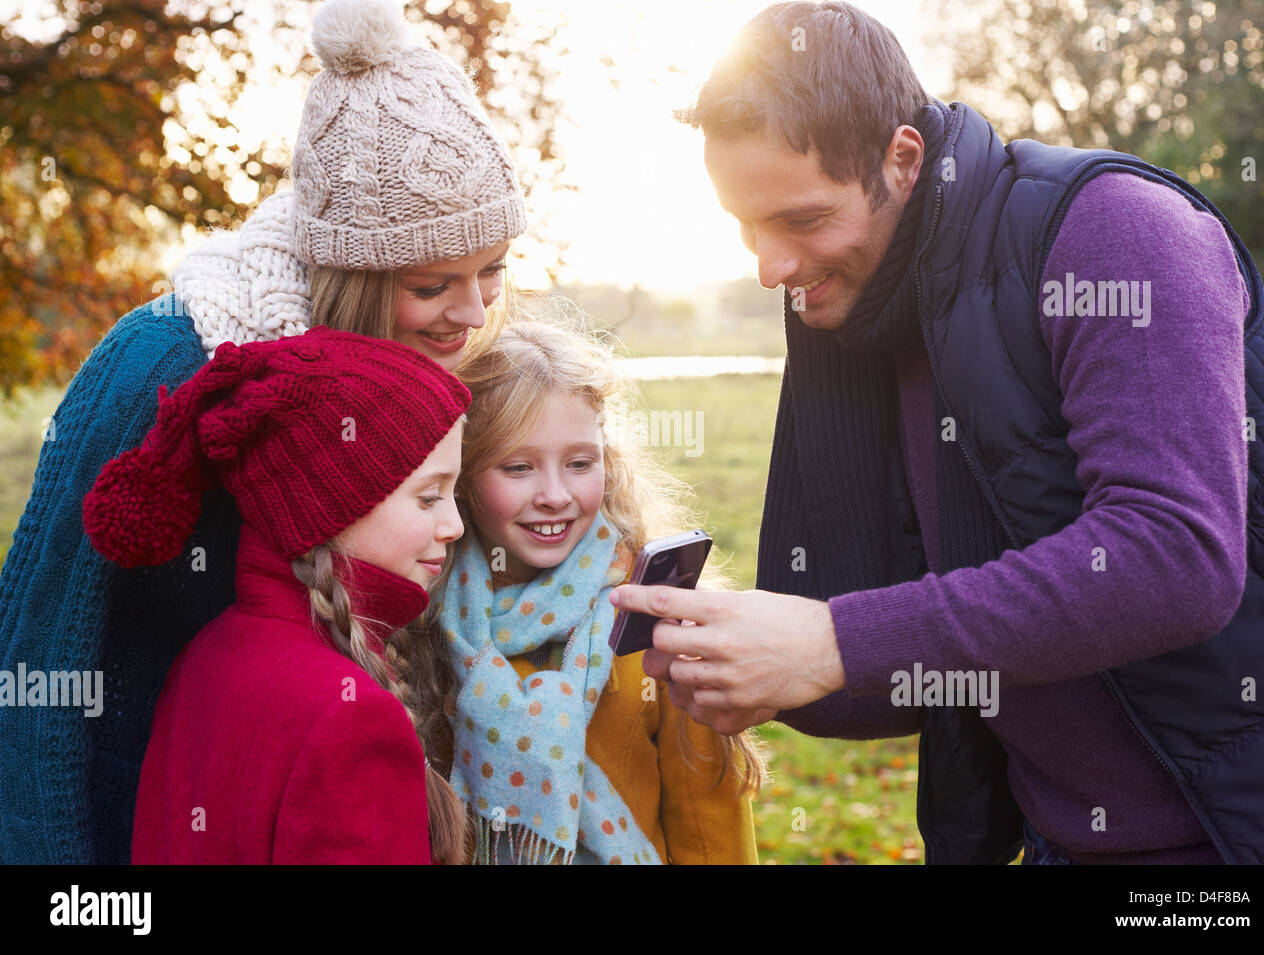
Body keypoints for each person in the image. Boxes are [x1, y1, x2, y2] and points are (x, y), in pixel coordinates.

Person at [612, 1, 1264, 864]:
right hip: (1059, 840)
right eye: (745, 225)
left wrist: (835, 640)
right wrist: (759, 655)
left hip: (1244, 834)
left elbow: (1176, 556)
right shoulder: (859, 311)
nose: (770, 267)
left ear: (901, 160)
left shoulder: (1117, 232)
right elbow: (911, 670)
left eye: (801, 220)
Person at [0, 0, 525, 864]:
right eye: (434, 285)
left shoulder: (417, 382)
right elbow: (40, 655)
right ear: (349, 272)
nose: (472, 313)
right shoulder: (167, 366)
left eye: (492, 272)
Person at [82, 327, 470, 863]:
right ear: (330, 505)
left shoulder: (204, 653)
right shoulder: (354, 719)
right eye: (428, 498)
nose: (454, 525)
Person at [443, 319, 763, 864]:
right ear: (463, 473)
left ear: (606, 463)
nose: (554, 494)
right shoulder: (432, 617)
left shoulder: (655, 613)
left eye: (579, 464)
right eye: (518, 467)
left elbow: (708, 816)